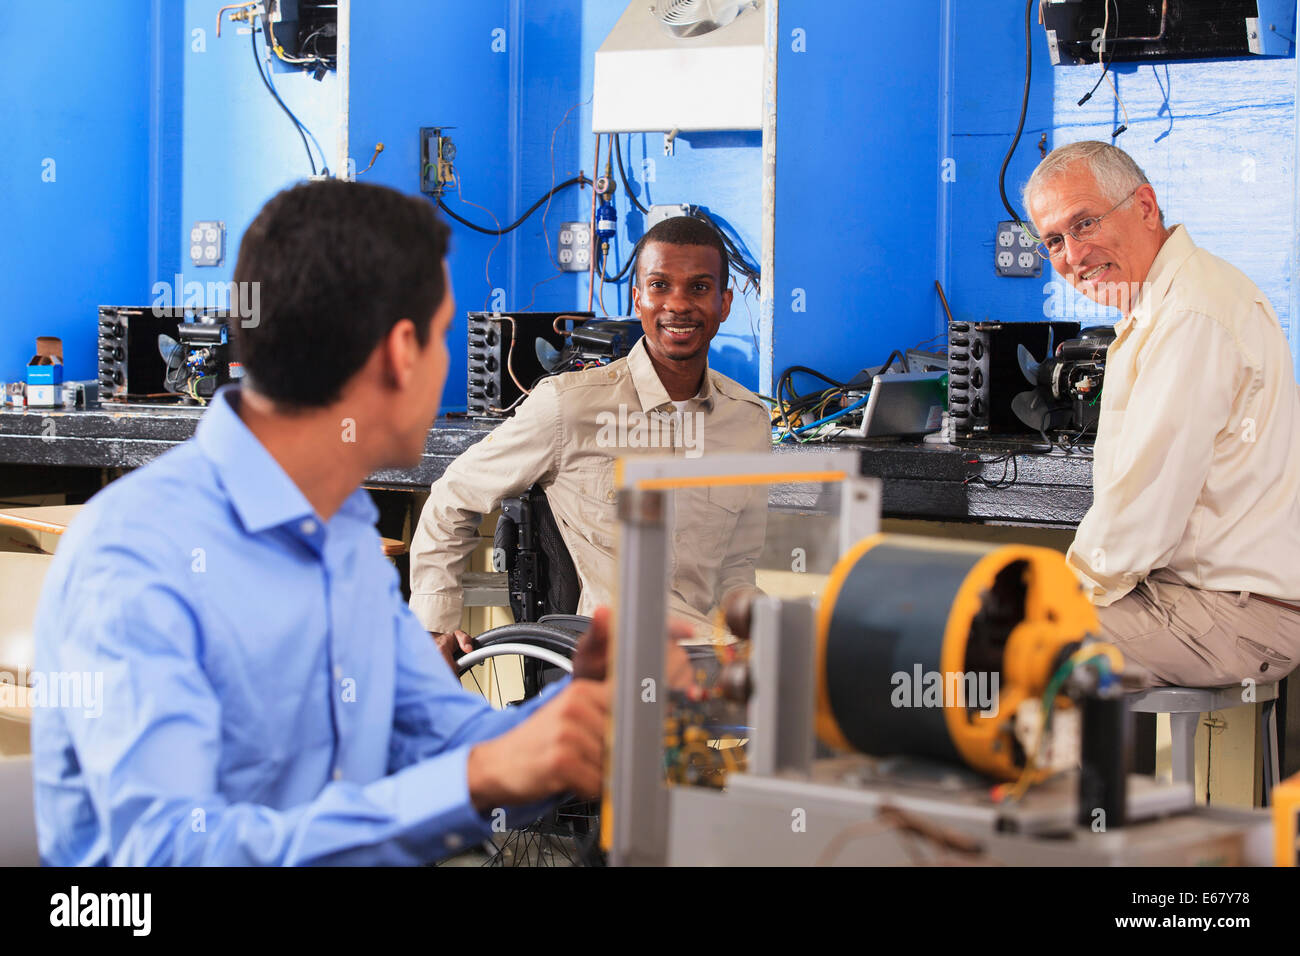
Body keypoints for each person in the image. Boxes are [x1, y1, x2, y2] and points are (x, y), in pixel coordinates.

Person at [31, 180, 609, 865]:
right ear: (401, 352)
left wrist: (588, 712)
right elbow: (163, 854)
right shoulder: (139, 553)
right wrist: (472, 779)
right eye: (444, 333)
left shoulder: (341, 541)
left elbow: (449, 745)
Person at [410, 215, 770, 660]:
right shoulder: (569, 406)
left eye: (699, 288)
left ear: (725, 303)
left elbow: (737, 565)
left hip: (715, 654)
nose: (678, 304)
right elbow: (451, 498)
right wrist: (434, 626)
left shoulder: (747, 421)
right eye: (659, 286)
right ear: (637, 298)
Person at [1023, 140, 1300, 687]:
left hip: (1237, 617)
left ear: (1145, 207)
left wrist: (1060, 594)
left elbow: (1144, 508)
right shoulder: (1165, 303)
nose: (1073, 257)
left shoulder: (1192, 315)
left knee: (999, 638)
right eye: (1054, 240)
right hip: (1190, 596)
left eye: (1084, 224)